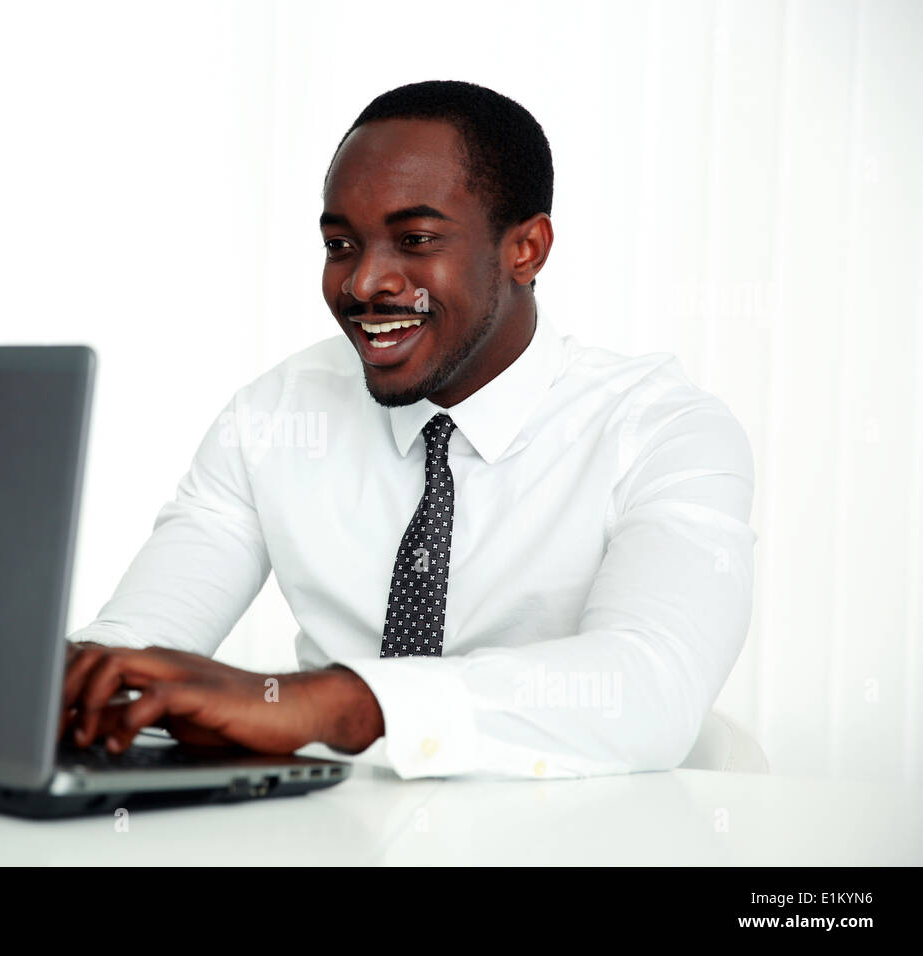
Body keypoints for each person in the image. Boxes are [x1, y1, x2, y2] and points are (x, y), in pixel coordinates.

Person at [59, 79, 756, 780]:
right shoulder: (276, 416)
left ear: (528, 248)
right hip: (326, 840)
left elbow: (651, 685)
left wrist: (343, 705)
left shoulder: (665, 432)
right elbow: (137, 639)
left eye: (415, 239)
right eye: (341, 244)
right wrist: (73, 683)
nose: (365, 283)